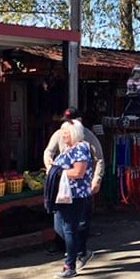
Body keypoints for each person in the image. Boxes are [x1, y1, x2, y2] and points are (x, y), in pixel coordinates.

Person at [44, 106, 105, 261]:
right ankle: (70, 250)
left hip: (80, 188)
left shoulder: (87, 138)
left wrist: (96, 179)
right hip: (62, 187)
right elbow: (48, 152)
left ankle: (78, 253)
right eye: (66, 122)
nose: (67, 127)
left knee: (80, 223)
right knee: (61, 223)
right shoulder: (59, 134)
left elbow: (98, 159)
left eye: (71, 122)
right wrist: (49, 166)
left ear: (79, 121)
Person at [50, 119, 94, 278]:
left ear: (74, 133)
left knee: (69, 229)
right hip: (63, 195)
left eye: (65, 132)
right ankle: (81, 251)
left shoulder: (81, 148)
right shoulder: (68, 149)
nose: (62, 135)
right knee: (59, 227)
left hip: (75, 195)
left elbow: (78, 172)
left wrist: (57, 172)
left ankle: (70, 265)